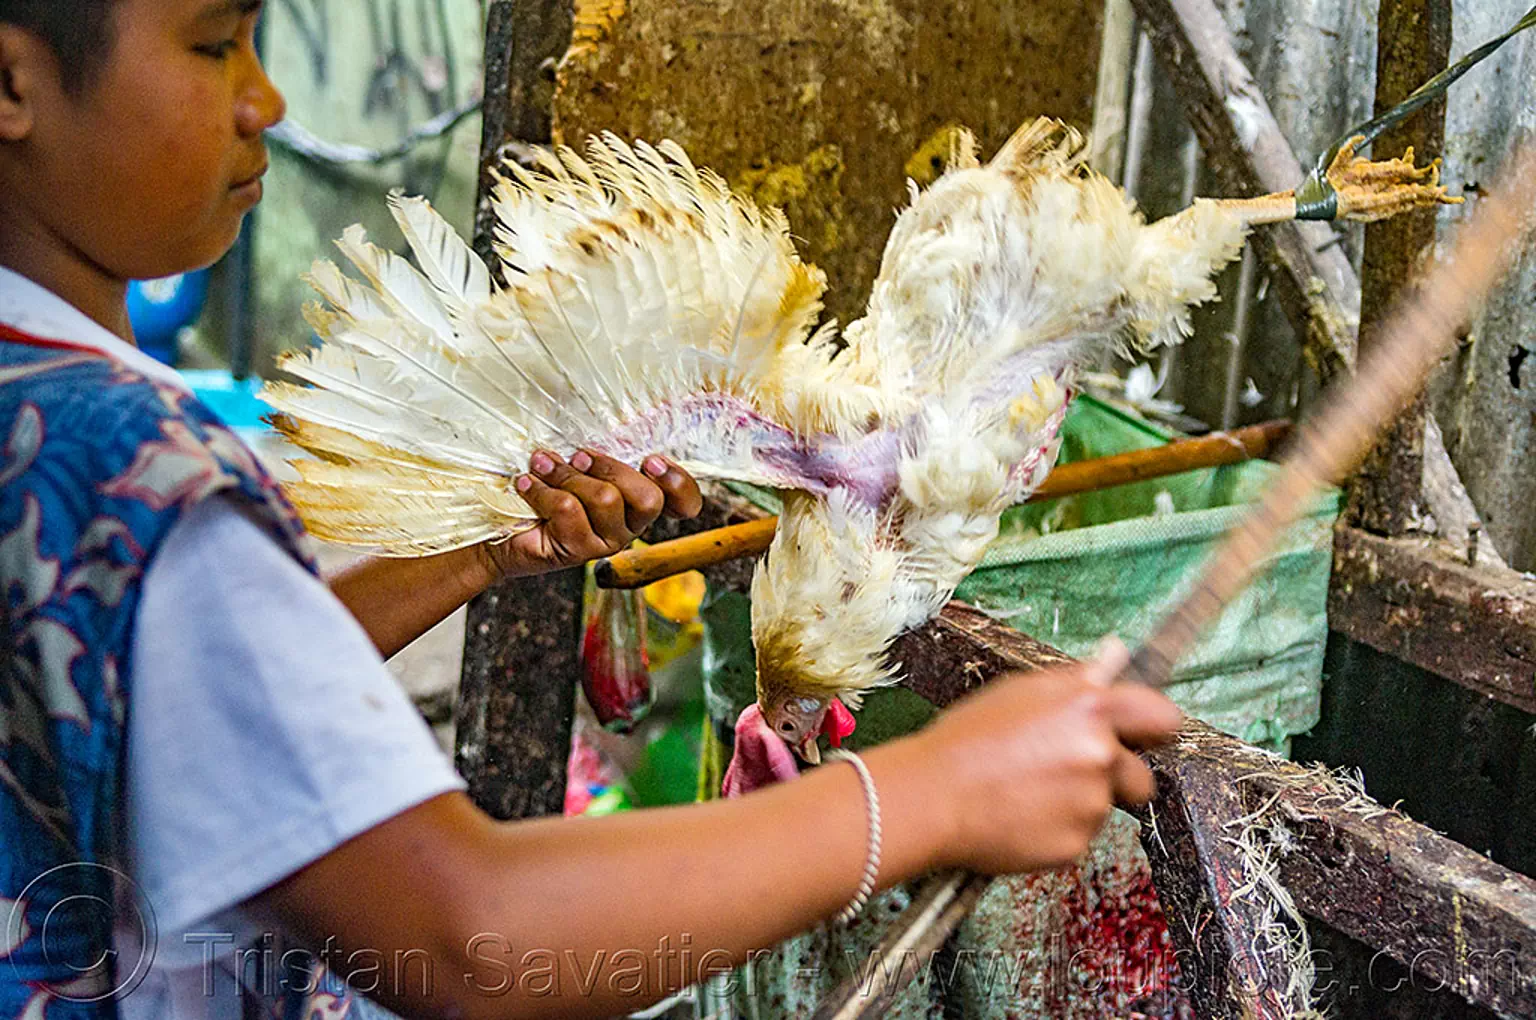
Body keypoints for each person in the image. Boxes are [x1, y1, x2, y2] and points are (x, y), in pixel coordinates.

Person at [0, 1, 1186, 1017]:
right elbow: (470, 941)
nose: (264, 98)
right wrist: (930, 795)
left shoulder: (37, 411)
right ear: (13, 80)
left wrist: (476, 556)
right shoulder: (143, 468)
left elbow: (143, 695)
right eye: (213, 45)